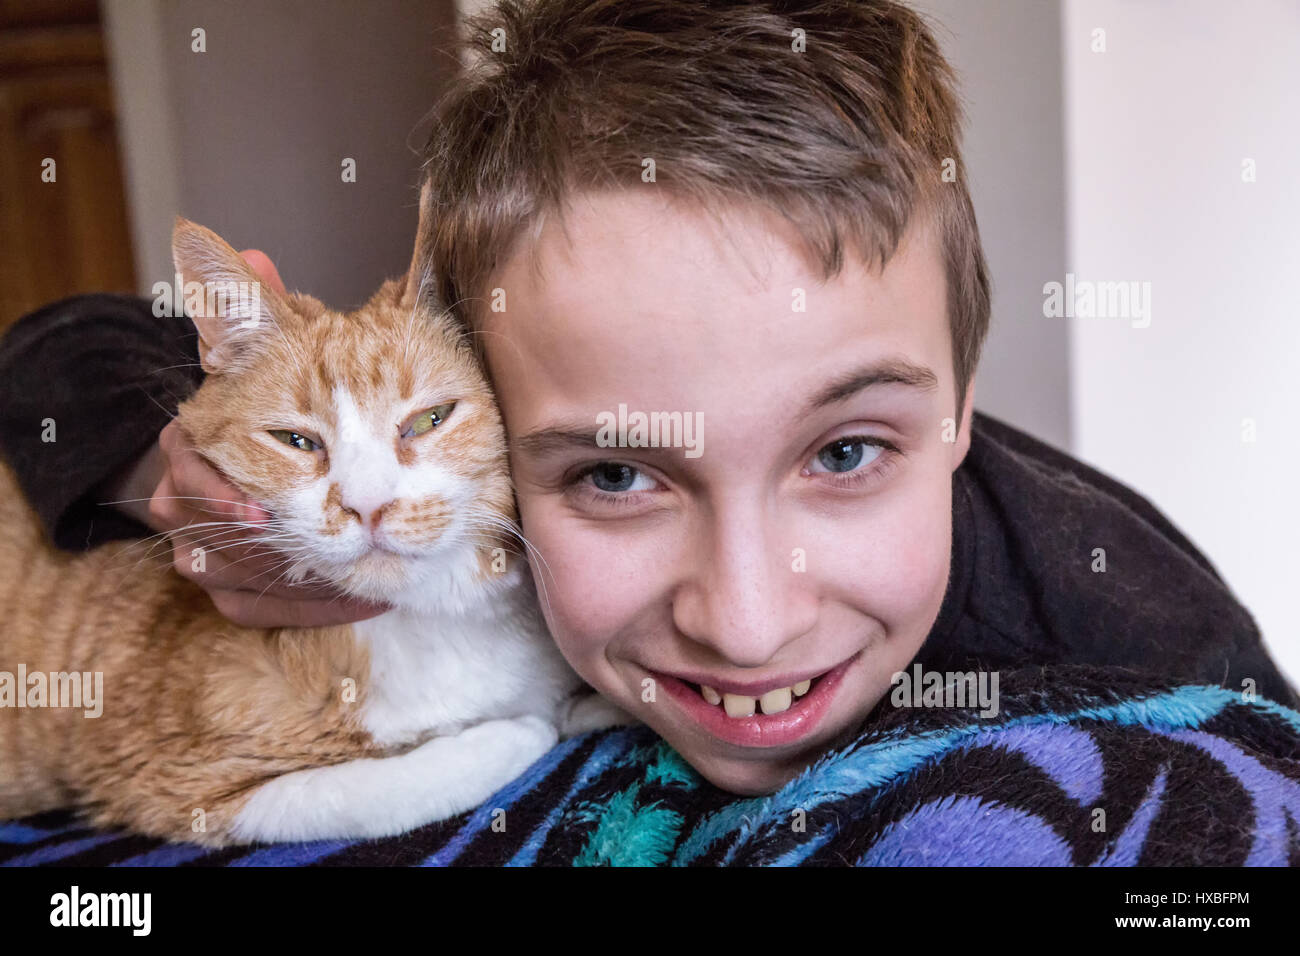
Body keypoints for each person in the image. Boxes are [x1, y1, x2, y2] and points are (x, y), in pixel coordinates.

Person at [0, 0, 1294, 796]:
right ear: (485, 418)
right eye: (615, 475)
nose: (744, 622)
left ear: (962, 409)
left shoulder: (1135, 623)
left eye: (846, 450)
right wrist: (166, 472)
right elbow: (58, 350)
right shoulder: (437, 449)